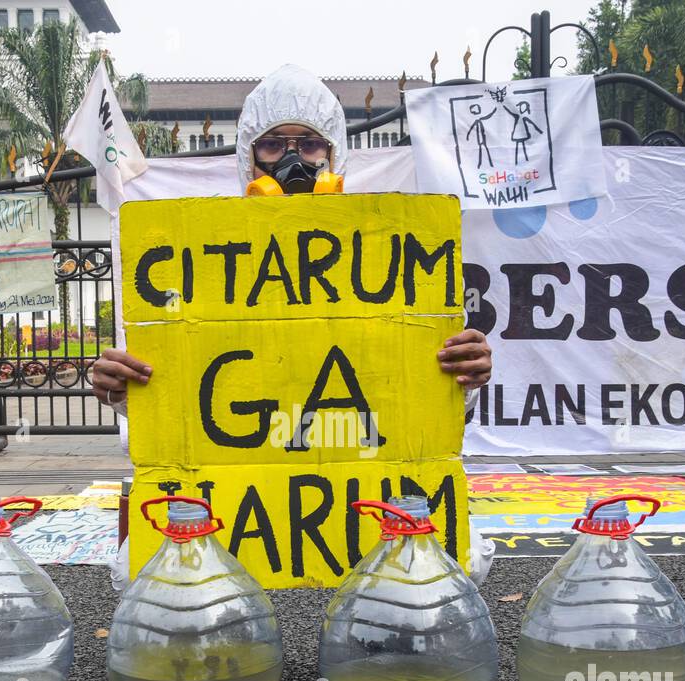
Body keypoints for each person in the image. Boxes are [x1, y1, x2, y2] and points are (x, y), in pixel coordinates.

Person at [92, 64, 495, 581]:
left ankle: (386, 645)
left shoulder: (380, 250)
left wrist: (467, 377)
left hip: (360, 483)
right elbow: (170, 418)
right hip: (242, 495)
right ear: (249, 156)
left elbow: (426, 415)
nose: (291, 160)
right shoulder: (205, 261)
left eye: (308, 145)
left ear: (333, 154)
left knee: (463, 559)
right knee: (141, 572)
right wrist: (125, 393)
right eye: (273, 145)